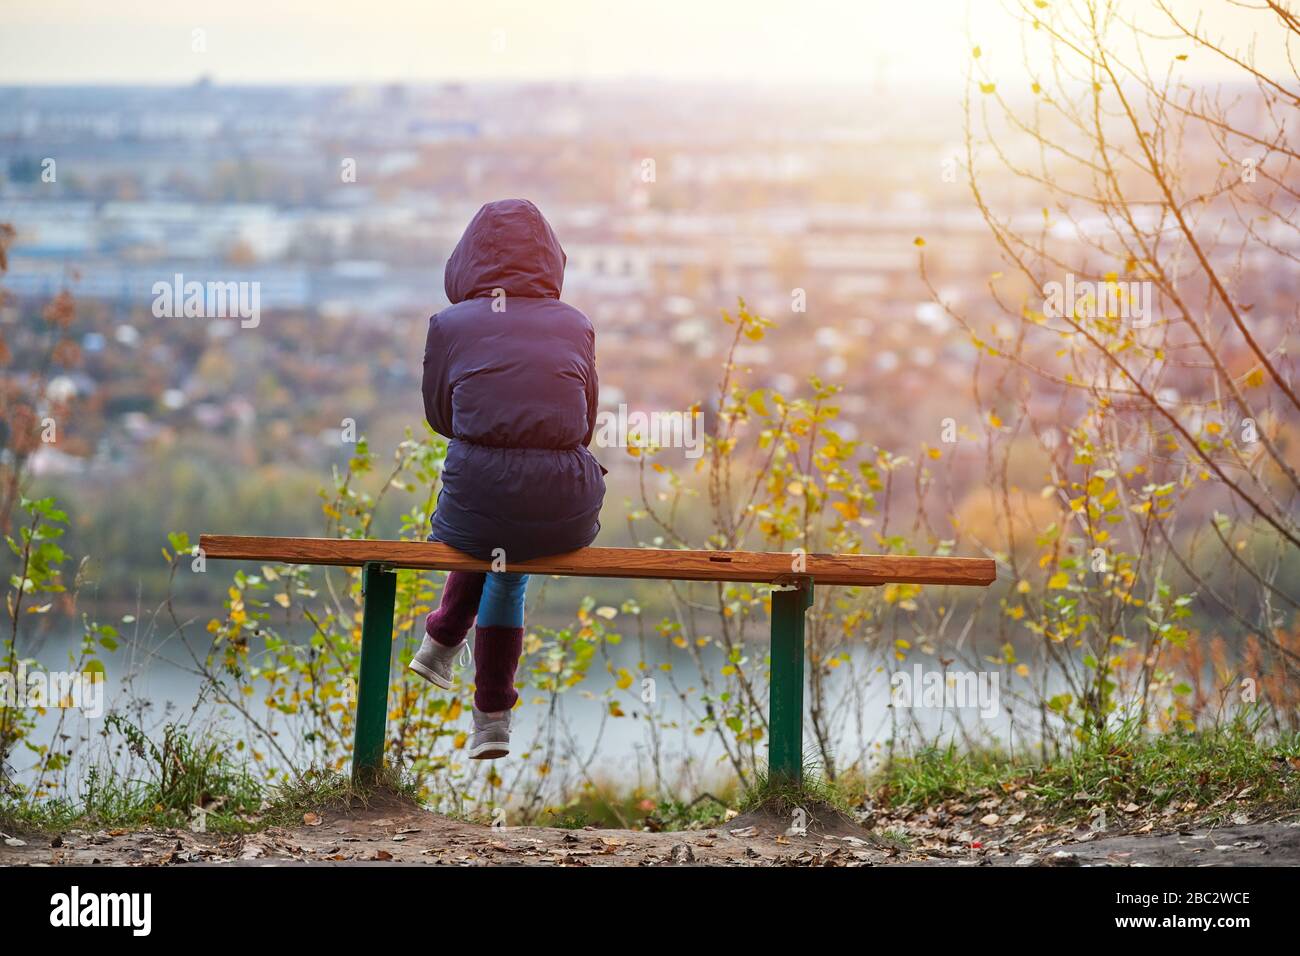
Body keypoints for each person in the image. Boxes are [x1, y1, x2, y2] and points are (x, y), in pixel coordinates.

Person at [409, 198, 606, 759]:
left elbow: (439, 417)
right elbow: (586, 421)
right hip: (562, 503)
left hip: (476, 499)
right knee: (510, 562)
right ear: (550, 257)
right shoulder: (575, 324)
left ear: (466, 258)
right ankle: (490, 713)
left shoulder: (448, 325)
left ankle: (445, 644)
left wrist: (486, 432)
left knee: (489, 527)